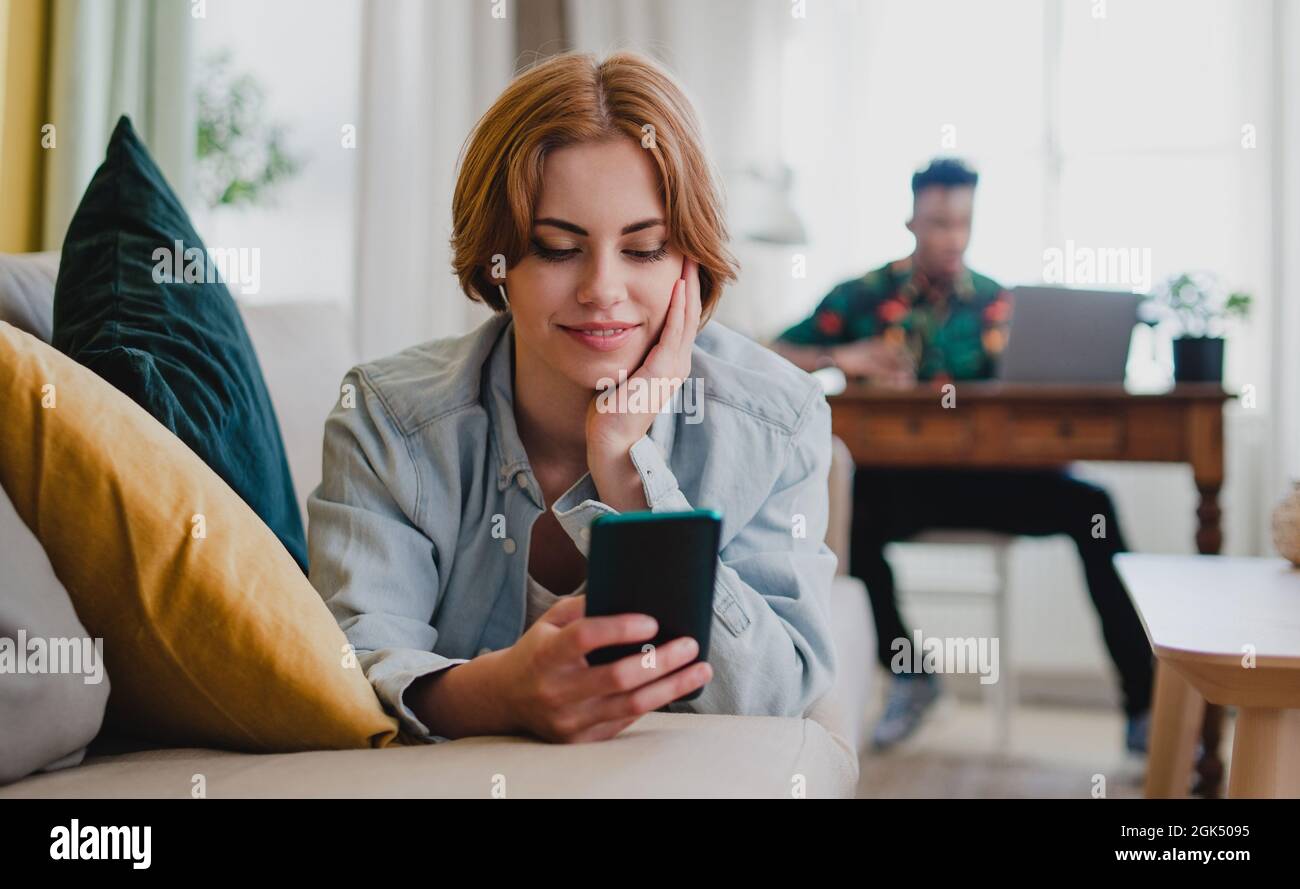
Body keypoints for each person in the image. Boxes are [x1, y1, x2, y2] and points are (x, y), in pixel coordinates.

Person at [307, 51, 838, 745]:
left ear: (691, 262)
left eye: (644, 248)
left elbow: (776, 693)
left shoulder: (777, 421)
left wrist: (628, 468)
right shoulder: (388, 421)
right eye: (558, 248)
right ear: (498, 265)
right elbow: (347, 672)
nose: (602, 290)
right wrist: (496, 694)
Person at [772, 158, 1154, 752]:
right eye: (938, 222)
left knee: (1093, 507)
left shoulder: (1004, 305)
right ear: (911, 221)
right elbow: (766, 354)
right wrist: (840, 357)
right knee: (848, 513)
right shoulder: (861, 297)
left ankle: (1147, 707)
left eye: (963, 223)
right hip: (901, 486)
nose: (952, 237)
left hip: (995, 483)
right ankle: (910, 676)